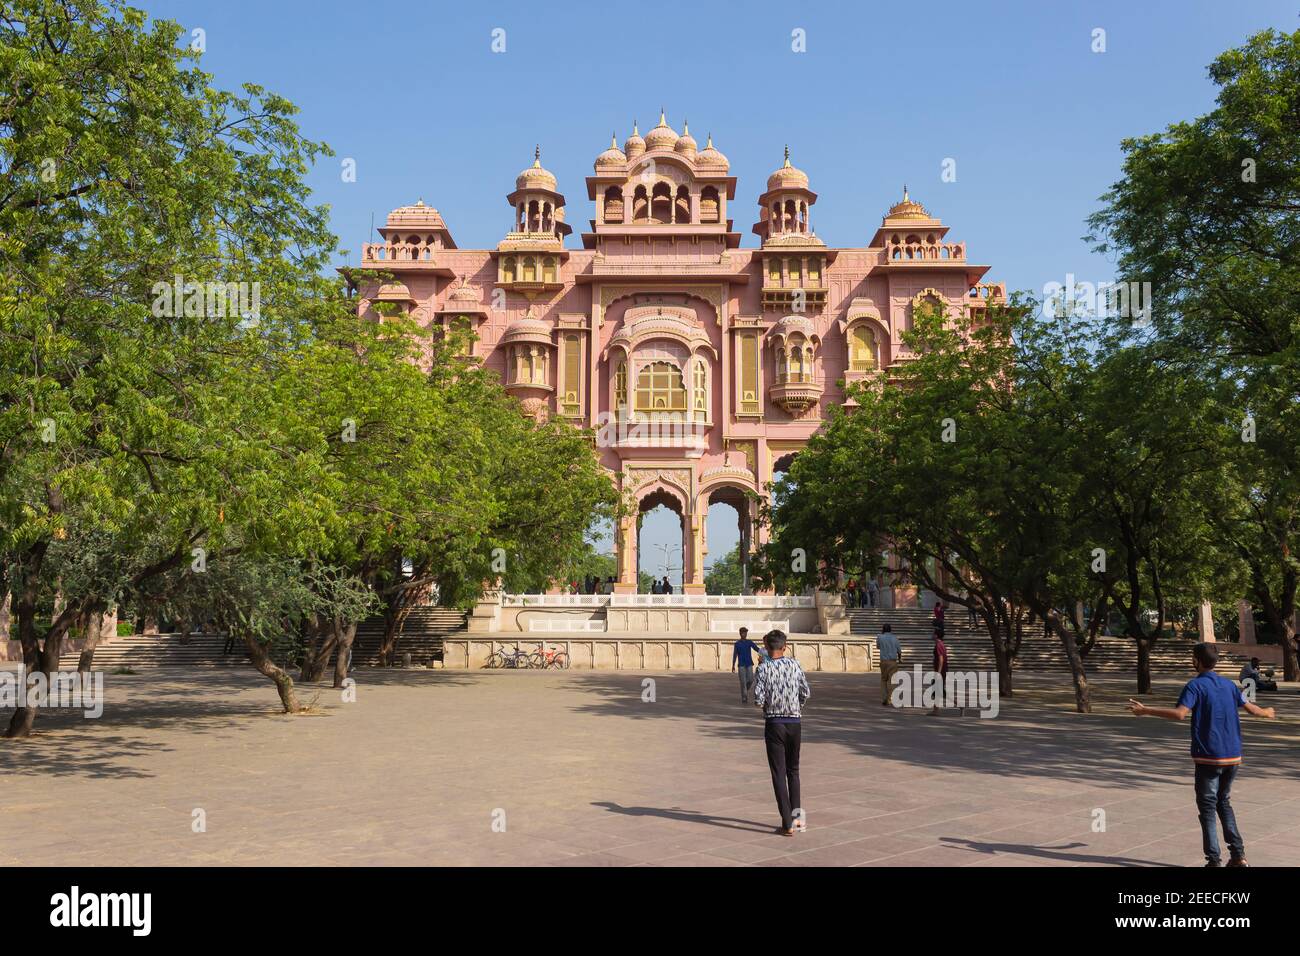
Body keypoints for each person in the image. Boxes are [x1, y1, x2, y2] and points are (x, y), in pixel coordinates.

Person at [1129, 642, 1275, 867]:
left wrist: (1145, 710)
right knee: (1223, 802)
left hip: (1209, 756)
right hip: (1233, 756)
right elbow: (1252, 709)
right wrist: (1267, 712)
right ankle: (1238, 856)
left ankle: (1214, 861)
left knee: (1207, 809)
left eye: (1192, 657)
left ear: (1197, 660)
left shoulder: (1194, 686)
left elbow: (1180, 714)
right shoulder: (1228, 685)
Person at [752, 629, 811, 836]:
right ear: (784, 647)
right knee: (793, 771)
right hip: (795, 722)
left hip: (774, 723)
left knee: (779, 773)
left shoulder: (763, 669)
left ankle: (787, 823)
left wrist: (770, 705)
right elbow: (805, 692)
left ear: (767, 648)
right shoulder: (795, 665)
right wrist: (795, 706)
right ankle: (797, 820)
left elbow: (758, 699)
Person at [731, 627, 763, 704]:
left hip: (749, 664)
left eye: (745, 633)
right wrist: (733, 665)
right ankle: (744, 697)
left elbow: (756, 648)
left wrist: (765, 651)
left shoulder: (749, 642)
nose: (744, 634)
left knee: (751, 680)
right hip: (741, 664)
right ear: (740, 633)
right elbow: (735, 654)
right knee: (743, 682)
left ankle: (745, 689)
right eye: (743, 633)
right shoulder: (737, 644)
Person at [875, 622, 902, 707]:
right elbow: (899, 650)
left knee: (883, 680)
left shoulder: (880, 637)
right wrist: (900, 658)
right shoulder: (894, 638)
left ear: (883, 629)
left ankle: (884, 698)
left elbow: (878, 647)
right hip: (892, 662)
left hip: (883, 661)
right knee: (892, 680)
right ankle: (889, 698)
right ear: (890, 630)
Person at [930, 627, 948, 714]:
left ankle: (960, 705)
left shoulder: (939, 645)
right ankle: (935, 710)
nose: (932, 635)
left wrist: (938, 673)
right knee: (937, 690)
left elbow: (941, 659)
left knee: (939, 690)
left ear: (936, 635)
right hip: (941, 671)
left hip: (940, 671)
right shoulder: (940, 644)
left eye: (933, 633)